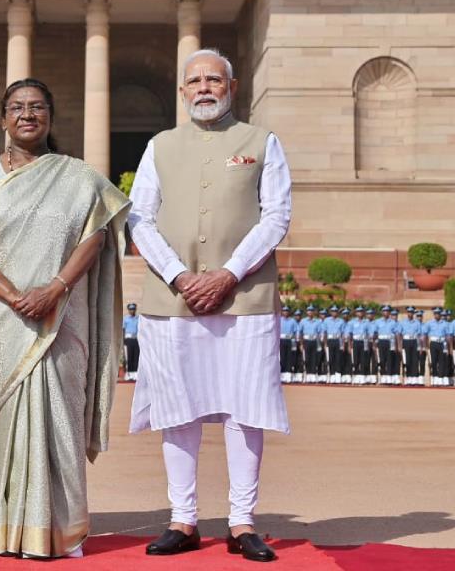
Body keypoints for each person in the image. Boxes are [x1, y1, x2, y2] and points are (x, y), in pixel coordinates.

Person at [127, 49, 290, 563]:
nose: (204, 88)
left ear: (231, 87)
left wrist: (228, 274)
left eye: (213, 80)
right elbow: (139, 218)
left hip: (245, 295)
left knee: (246, 406)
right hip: (173, 297)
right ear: (182, 91)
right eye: (194, 81)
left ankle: (242, 521)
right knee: (178, 408)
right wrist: (180, 275)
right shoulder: (159, 145)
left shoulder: (261, 142)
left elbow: (276, 215)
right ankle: (183, 519)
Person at [0, 77, 127, 558]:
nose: (27, 114)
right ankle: (10, 530)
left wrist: (55, 288)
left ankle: (62, 532)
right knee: (7, 421)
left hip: (62, 315)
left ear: (51, 116)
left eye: (36, 107)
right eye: (16, 107)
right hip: (2, 318)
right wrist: (13, 295)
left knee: (61, 417)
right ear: (2, 119)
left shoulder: (79, 176)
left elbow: (95, 237)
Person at [374, 305, 399, 384]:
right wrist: (374, 344)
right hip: (381, 341)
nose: (386, 312)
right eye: (384, 311)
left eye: (387, 311)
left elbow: (396, 334)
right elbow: (375, 333)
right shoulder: (377, 322)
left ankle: (388, 376)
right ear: (382, 312)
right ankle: (383, 376)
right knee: (382, 359)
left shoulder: (393, 322)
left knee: (389, 359)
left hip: (390, 342)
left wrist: (396, 345)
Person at [300, 305, 323, 383]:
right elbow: (300, 333)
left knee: (313, 358)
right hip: (306, 341)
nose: (310, 312)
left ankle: (312, 374)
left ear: (313, 312)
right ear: (307, 312)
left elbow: (319, 333)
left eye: (311, 311)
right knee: (306, 357)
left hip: (314, 341)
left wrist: (319, 344)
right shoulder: (303, 321)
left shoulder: (317, 321)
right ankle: (307, 374)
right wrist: (301, 344)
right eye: (309, 311)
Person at [278, 308, 298, 384]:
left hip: (290, 340)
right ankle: (282, 375)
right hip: (281, 340)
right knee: (282, 357)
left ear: (289, 312)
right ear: (282, 312)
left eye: (287, 311)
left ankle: (288, 376)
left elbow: (295, 332)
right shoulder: (279, 320)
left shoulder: (293, 321)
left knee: (289, 358)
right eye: (284, 311)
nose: (285, 312)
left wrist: (294, 342)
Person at [123, 303, 141, 382]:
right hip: (128, 339)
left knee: (136, 356)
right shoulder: (126, 319)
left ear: (135, 310)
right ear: (128, 310)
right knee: (129, 357)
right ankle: (128, 373)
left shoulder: (138, 318)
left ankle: (135, 374)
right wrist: (123, 340)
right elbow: (123, 329)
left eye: (133, 309)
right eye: (130, 309)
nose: (132, 311)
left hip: (136, 339)